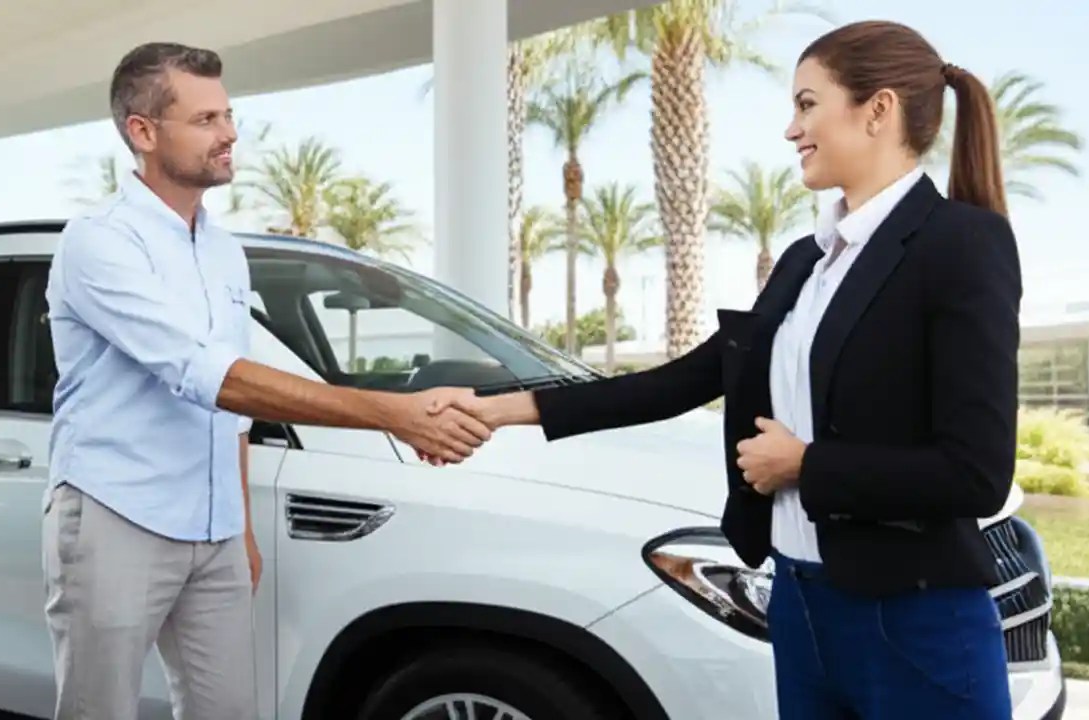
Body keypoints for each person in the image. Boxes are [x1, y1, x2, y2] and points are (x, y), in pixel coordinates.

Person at [426, 19, 1020, 720]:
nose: (791, 128)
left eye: (806, 104)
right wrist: (501, 409)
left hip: (914, 620)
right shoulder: (807, 259)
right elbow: (682, 380)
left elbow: (976, 473)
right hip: (800, 603)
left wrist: (805, 464)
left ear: (878, 110)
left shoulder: (962, 243)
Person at [43, 42, 490, 720]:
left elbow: (234, 409)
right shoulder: (100, 241)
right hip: (117, 515)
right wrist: (392, 413)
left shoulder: (224, 251)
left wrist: (241, 528)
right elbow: (208, 377)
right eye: (204, 120)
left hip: (216, 528)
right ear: (142, 131)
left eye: (228, 115)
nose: (228, 135)